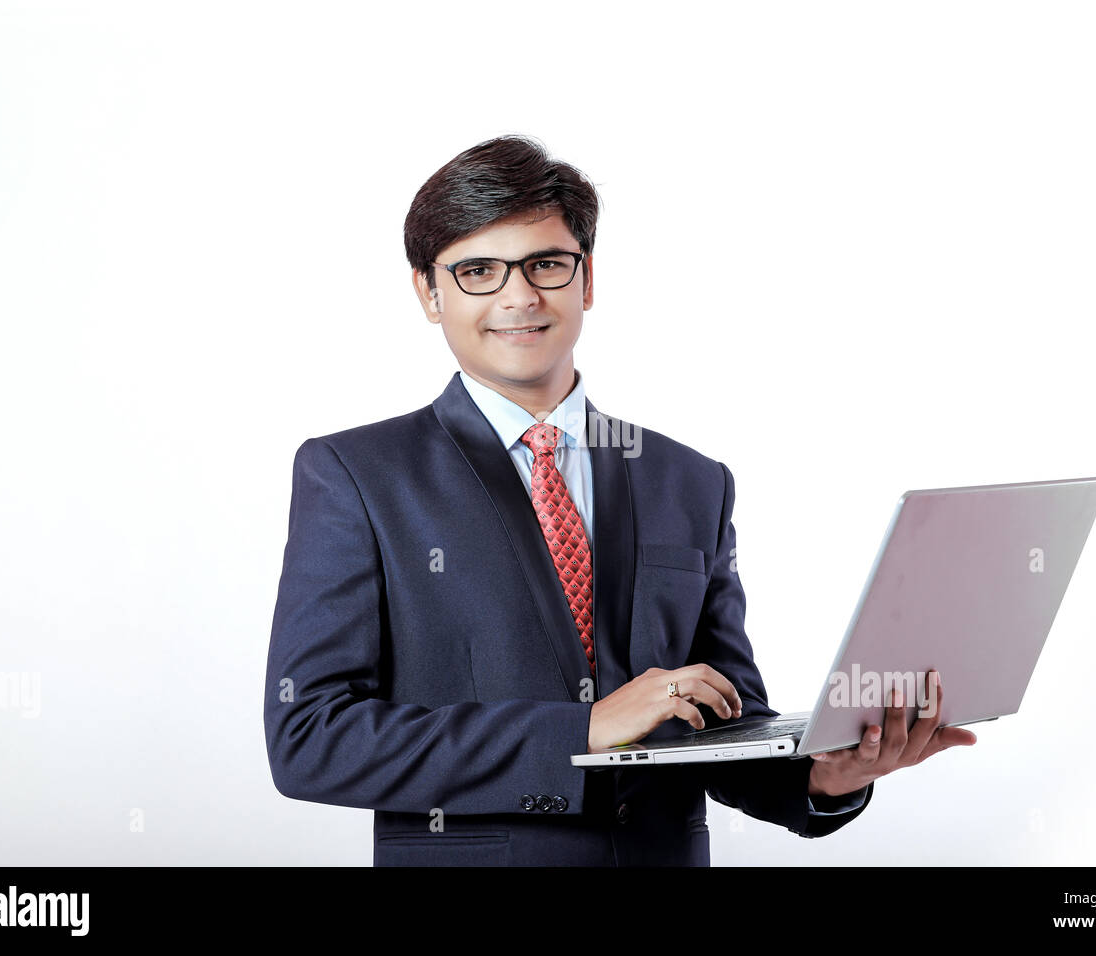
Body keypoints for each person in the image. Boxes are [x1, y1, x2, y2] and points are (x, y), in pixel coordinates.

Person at [262, 134, 975, 866]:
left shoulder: (690, 479)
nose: (519, 296)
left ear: (587, 279)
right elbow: (309, 739)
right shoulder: (356, 475)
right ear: (429, 292)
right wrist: (580, 730)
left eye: (546, 264)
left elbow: (721, 721)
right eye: (478, 270)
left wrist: (827, 774)